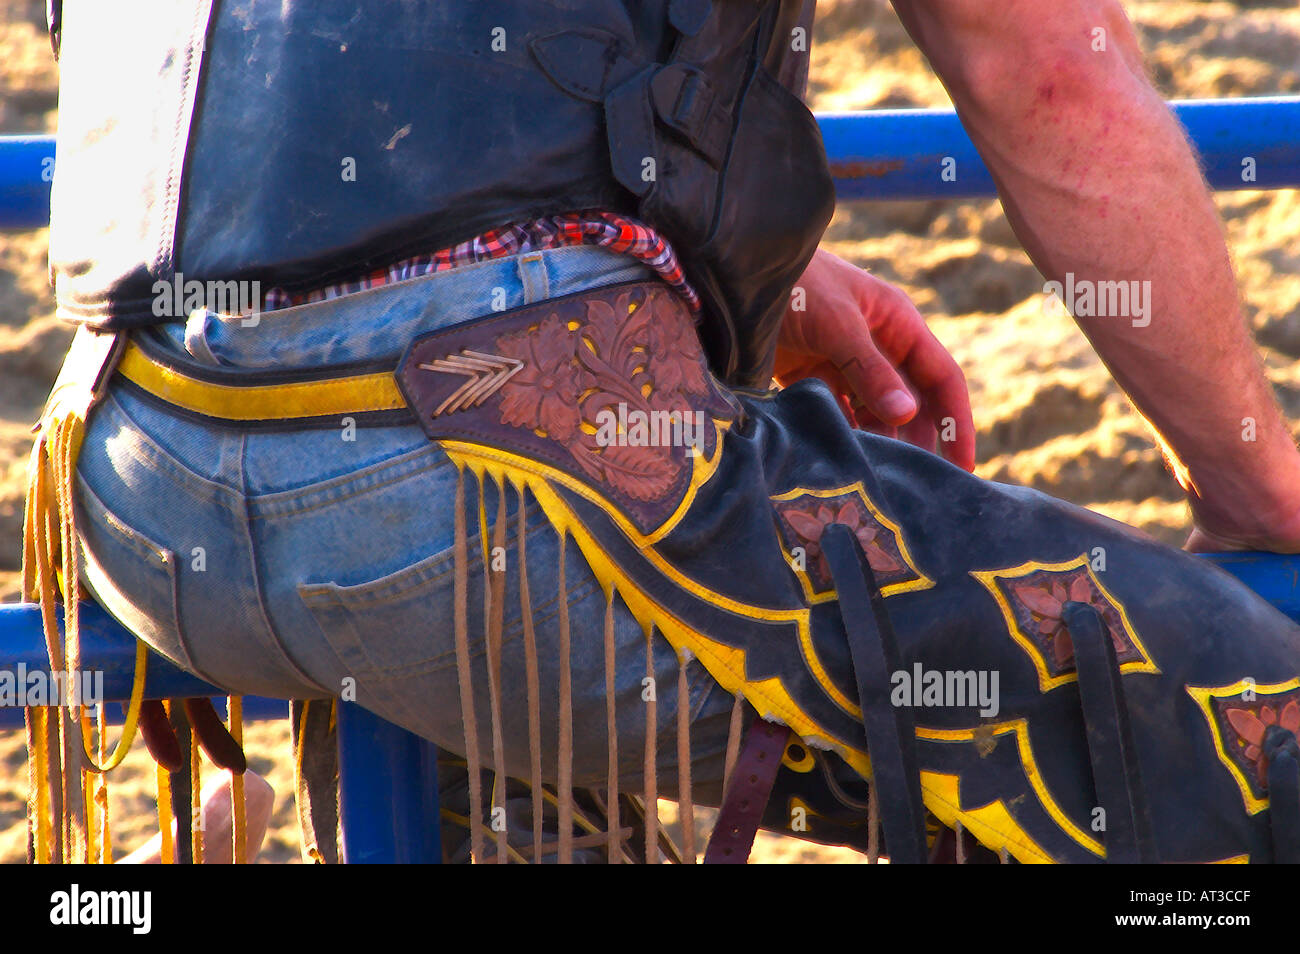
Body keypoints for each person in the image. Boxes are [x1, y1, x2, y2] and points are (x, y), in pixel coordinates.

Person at [27, 0, 1300, 864]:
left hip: (135, 476)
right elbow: (1048, 72)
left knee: (489, 740)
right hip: (476, 481)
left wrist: (722, 269)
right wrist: (1264, 504)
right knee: (1252, 714)